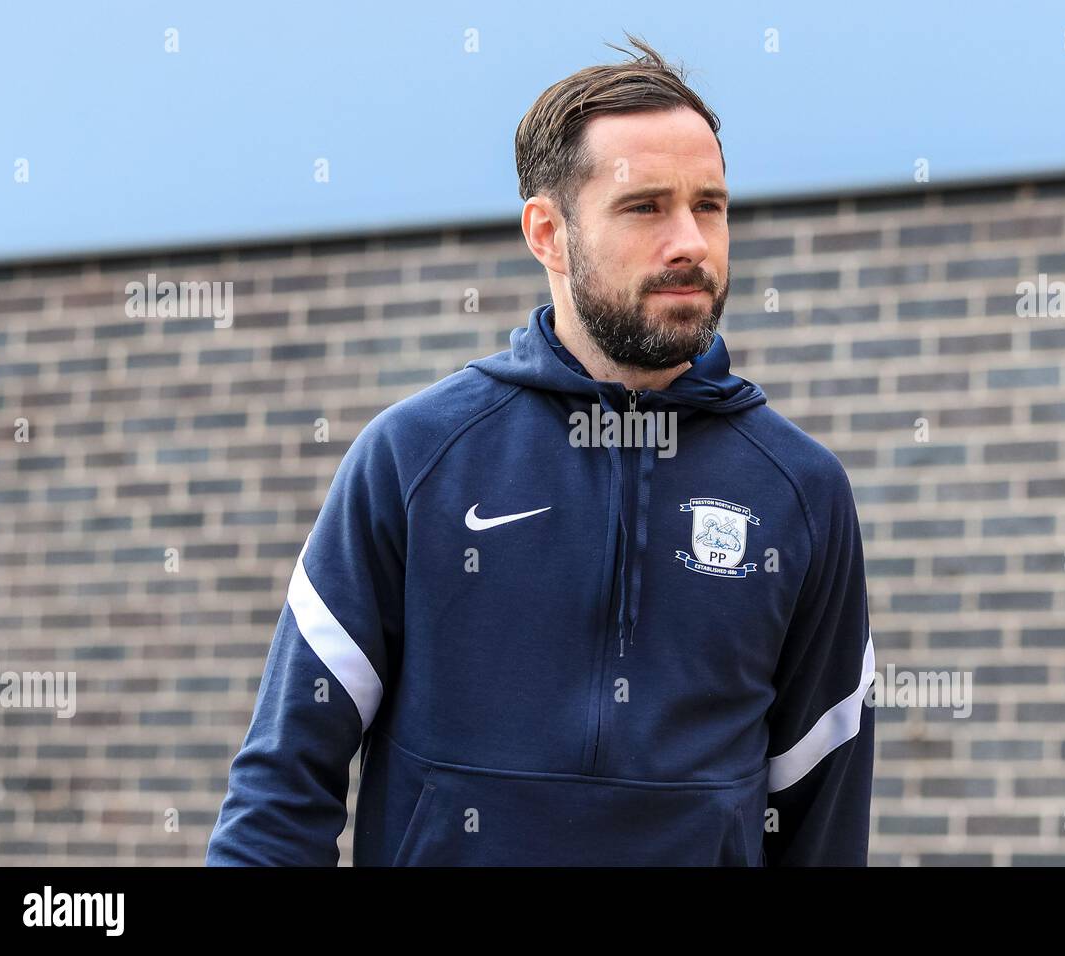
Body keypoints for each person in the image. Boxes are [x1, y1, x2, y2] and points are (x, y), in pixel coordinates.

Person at [206, 31, 875, 867]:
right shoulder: (414, 460)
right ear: (548, 233)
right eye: (645, 207)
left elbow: (822, 814)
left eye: (709, 205)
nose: (691, 243)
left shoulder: (802, 492)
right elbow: (281, 788)